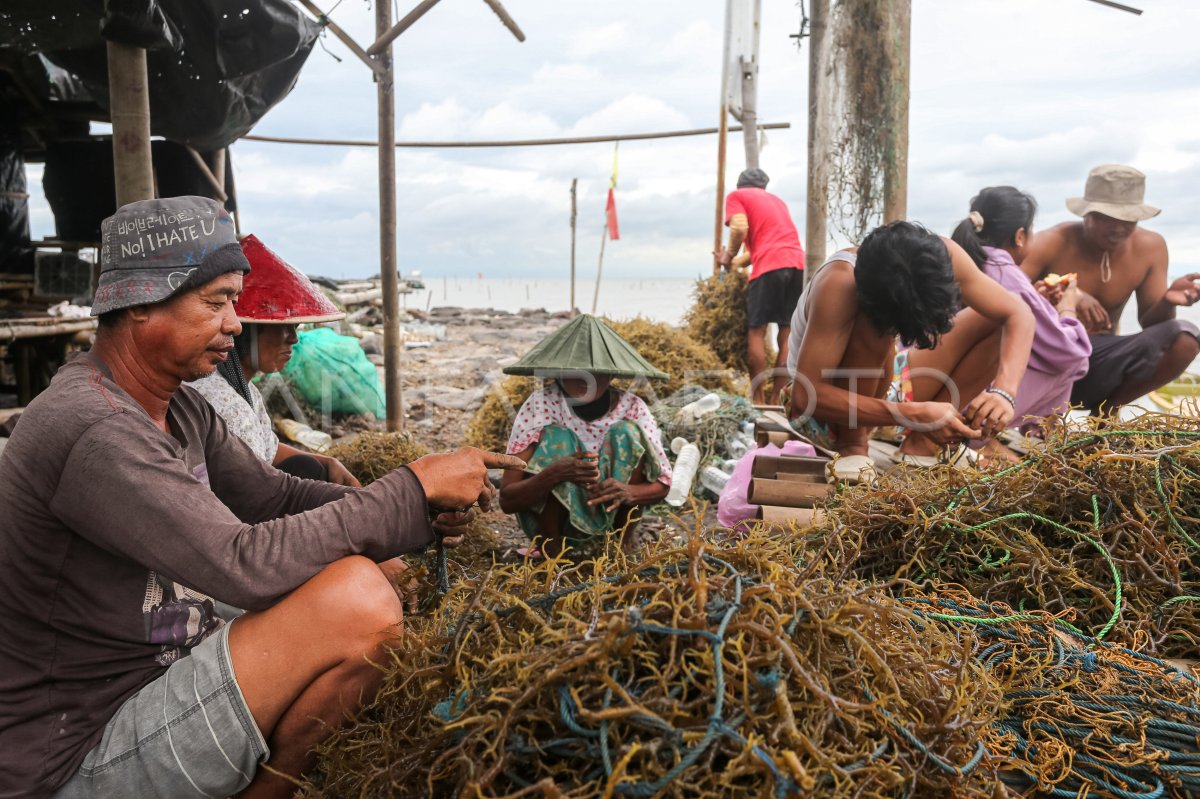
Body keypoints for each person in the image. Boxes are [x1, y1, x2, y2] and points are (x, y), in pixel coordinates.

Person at [0, 196, 524, 799]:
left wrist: (417, 508)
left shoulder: (178, 405)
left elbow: (272, 496)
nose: (234, 323)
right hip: (77, 750)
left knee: (365, 568)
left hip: (152, 671)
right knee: (356, 597)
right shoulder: (96, 427)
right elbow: (241, 564)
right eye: (217, 301)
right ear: (141, 303)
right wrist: (409, 487)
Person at [786, 220, 1035, 482]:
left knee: (994, 319)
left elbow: (1018, 313)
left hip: (891, 387)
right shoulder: (840, 281)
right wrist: (914, 414)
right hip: (823, 416)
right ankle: (853, 445)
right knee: (871, 324)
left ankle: (922, 445)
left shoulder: (940, 258)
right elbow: (805, 395)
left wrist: (1004, 392)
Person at [1021, 164, 1200, 413]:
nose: (1118, 228)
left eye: (1128, 220)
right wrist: (1069, 292)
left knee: (1185, 338)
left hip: (1099, 362)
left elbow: (1154, 327)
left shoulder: (1151, 247)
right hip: (1042, 359)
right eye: (1106, 218)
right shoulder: (1052, 241)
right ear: (1086, 213)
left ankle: (1107, 413)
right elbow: (1004, 291)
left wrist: (1167, 302)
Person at [187, 234, 360, 485]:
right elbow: (257, 486)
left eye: (295, 328)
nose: (294, 339)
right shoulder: (222, 400)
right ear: (245, 330)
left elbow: (269, 448)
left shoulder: (244, 389)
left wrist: (328, 462)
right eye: (283, 328)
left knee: (309, 467)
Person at [498, 314, 672, 558]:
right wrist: (555, 474)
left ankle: (620, 546)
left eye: (594, 371)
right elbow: (507, 499)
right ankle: (552, 550)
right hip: (555, 527)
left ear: (611, 374)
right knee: (558, 437)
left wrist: (627, 491)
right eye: (574, 370)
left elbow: (663, 484)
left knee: (626, 432)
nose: (584, 379)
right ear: (557, 371)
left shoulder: (632, 408)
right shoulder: (541, 405)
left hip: (610, 518)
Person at [949, 187, 1091, 438]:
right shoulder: (1005, 273)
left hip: (927, 382)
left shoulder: (962, 259)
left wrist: (1038, 300)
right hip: (967, 405)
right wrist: (1068, 307)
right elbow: (1069, 351)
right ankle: (1029, 435)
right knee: (1074, 362)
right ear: (1020, 236)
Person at [717, 168, 806, 405]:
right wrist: (735, 263)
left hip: (769, 267)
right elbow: (764, 247)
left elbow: (739, 228)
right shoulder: (777, 202)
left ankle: (758, 399)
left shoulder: (737, 196)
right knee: (787, 333)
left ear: (741, 185)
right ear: (763, 187)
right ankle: (777, 398)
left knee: (757, 330)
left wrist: (727, 255)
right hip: (798, 265)